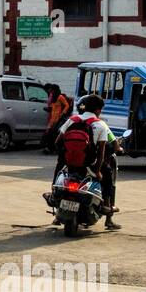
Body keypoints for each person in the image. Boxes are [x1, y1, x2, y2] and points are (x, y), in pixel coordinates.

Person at [56, 93, 121, 230]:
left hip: (71, 164)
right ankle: (107, 209)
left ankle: (54, 200)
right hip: (89, 165)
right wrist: (97, 171)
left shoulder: (72, 120)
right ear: (98, 110)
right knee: (108, 174)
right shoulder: (100, 124)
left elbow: (57, 142)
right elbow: (101, 153)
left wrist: (67, 155)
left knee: (59, 169)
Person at [42, 84, 72, 153]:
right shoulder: (53, 97)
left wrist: (63, 113)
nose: (51, 91)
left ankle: (51, 148)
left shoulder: (60, 97)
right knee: (48, 133)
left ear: (55, 90)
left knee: (53, 133)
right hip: (53, 118)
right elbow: (53, 107)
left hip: (58, 118)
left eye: (52, 90)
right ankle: (49, 147)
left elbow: (66, 105)